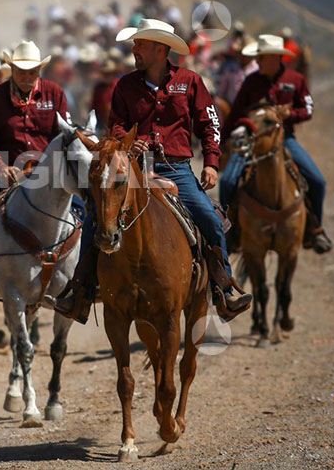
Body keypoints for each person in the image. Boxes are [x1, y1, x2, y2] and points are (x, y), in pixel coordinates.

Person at [55, 19, 252, 323]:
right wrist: (126, 141)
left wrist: (212, 162)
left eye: (140, 44)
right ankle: (80, 291)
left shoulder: (190, 81)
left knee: (210, 218)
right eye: (135, 44)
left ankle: (223, 289)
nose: (134, 50)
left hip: (177, 168)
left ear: (160, 49)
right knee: (96, 217)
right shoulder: (125, 85)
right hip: (135, 168)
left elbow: (209, 124)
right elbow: (116, 124)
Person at [0, 41, 78, 284]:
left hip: (48, 174)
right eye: (22, 72)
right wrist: (1, 167)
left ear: (39, 70)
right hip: (2, 172)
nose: (27, 77)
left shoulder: (54, 93)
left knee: (85, 208)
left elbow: (65, 136)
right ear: (12, 70)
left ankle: (84, 281)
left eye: (32, 72)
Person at [220, 34, 331, 253]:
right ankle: (229, 228)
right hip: (252, 138)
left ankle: (315, 229)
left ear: (274, 57)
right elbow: (235, 114)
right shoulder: (251, 82)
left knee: (317, 181)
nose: (257, 62)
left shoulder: (296, 80)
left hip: (284, 138)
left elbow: (307, 109)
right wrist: (221, 140)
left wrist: (290, 114)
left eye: (261, 57)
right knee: (227, 181)